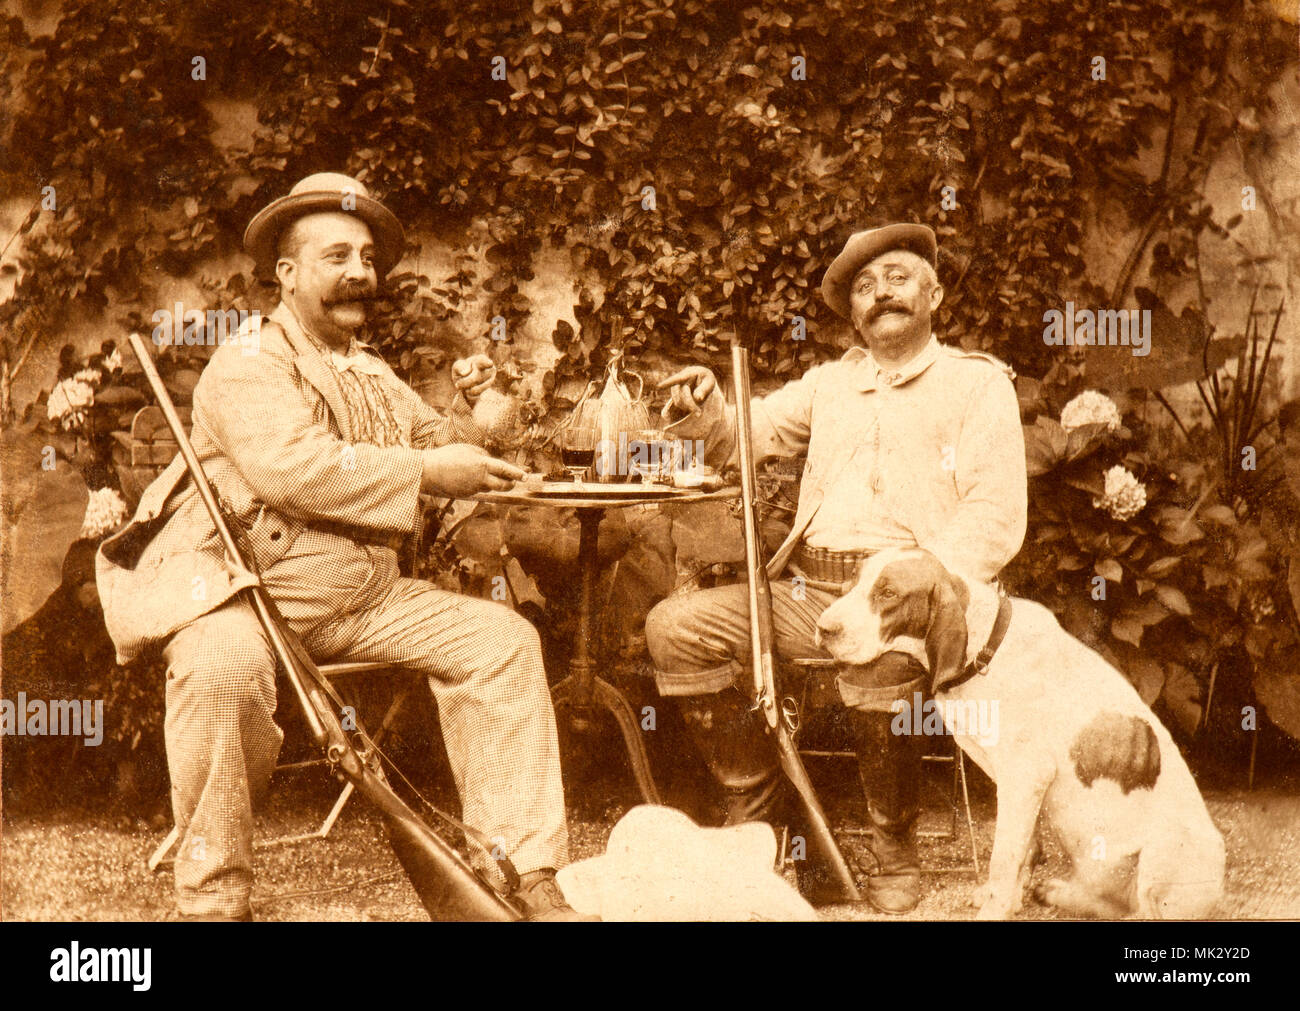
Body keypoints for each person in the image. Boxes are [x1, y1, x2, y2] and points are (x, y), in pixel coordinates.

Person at [97, 173, 581, 920]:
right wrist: (428, 470)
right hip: (248, 588)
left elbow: (445, 447)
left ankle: (520, 870)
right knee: (219, 665)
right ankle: (213, 897)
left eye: (367, 257)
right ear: (287, 275)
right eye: (336, 257)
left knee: (502, 641)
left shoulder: (373, 374)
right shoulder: (246, 363)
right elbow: (297, 469)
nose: (361, 272)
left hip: (367, 595)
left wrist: (481, 409)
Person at [646, 223, 1027, 912]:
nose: (881, 292)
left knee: (882, 660)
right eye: (863, 286)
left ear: (935, 292)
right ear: (852, 314)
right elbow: (743, 436)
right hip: (809, 591)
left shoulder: (977, 385)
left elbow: (996, 519)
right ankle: (762, 822)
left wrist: (915, 585)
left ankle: (893, 843)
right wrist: (707, 405)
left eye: (898, 276)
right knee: (675, 627)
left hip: (917, 601)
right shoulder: (829, 385)